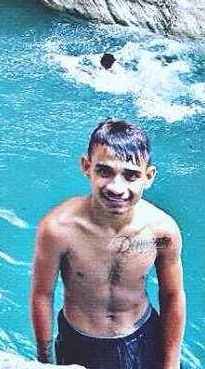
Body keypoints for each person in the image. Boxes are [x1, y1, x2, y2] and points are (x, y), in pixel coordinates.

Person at [30, 119, 185, 368]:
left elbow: (173, 295)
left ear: (148, 177)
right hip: (81, 343)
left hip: (143, 337)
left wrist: (171, 363)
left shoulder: (162, 231)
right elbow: (42, 294)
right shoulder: (59, 229)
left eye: (131, 175)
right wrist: (44, 360)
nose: (117, 187)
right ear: (86, 167)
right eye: (104, 171)